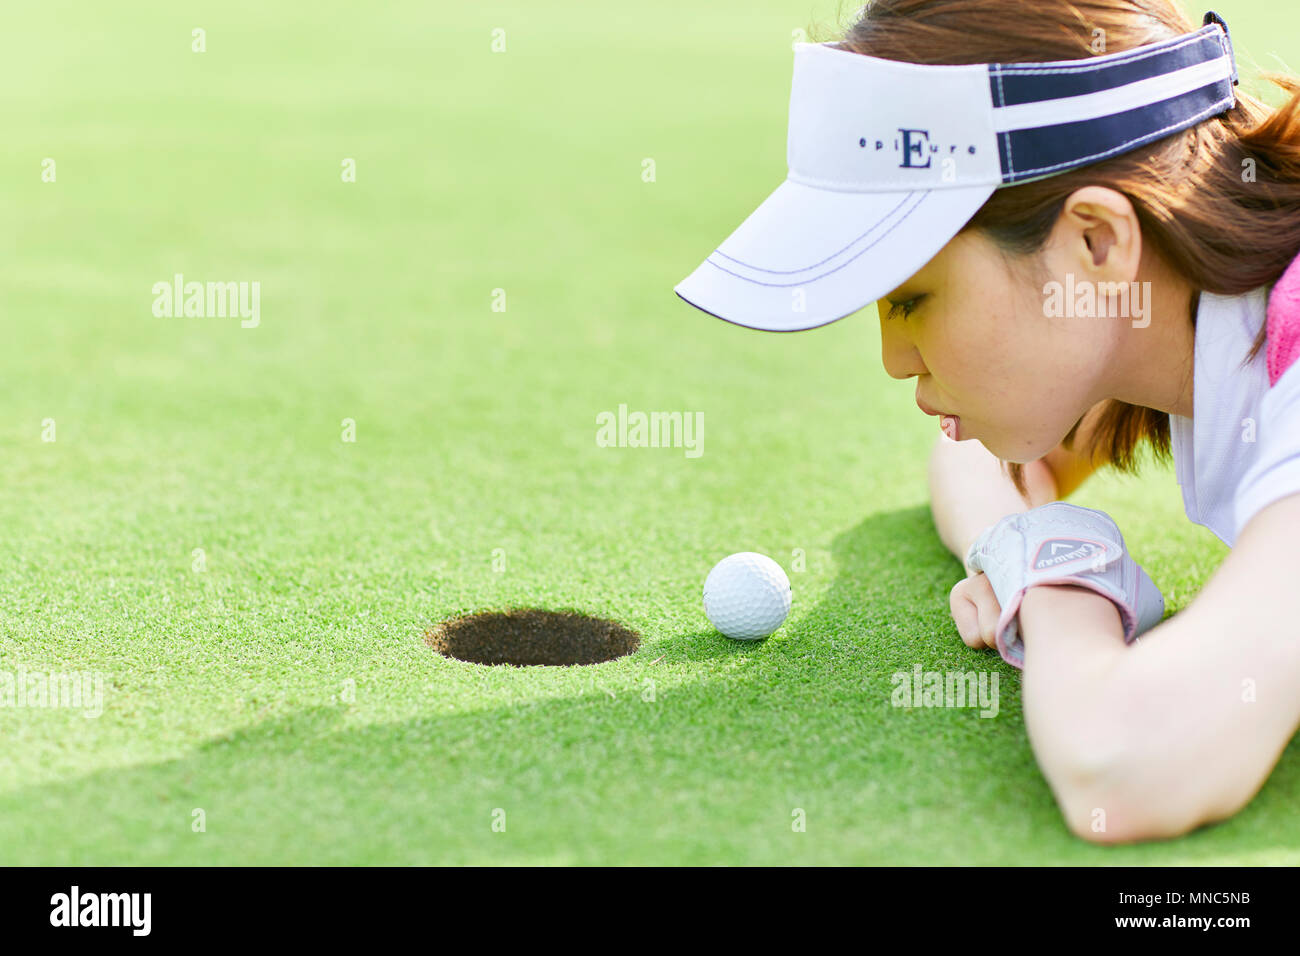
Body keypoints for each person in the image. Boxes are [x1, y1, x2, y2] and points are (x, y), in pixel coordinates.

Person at [672, 0, 1300, 844]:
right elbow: (972, 464)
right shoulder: (1188, 329)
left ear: (1098, 244)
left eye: (913, 297)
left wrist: (1062, 584)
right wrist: (1032, 544)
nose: (895, 358)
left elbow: (1125, 765)